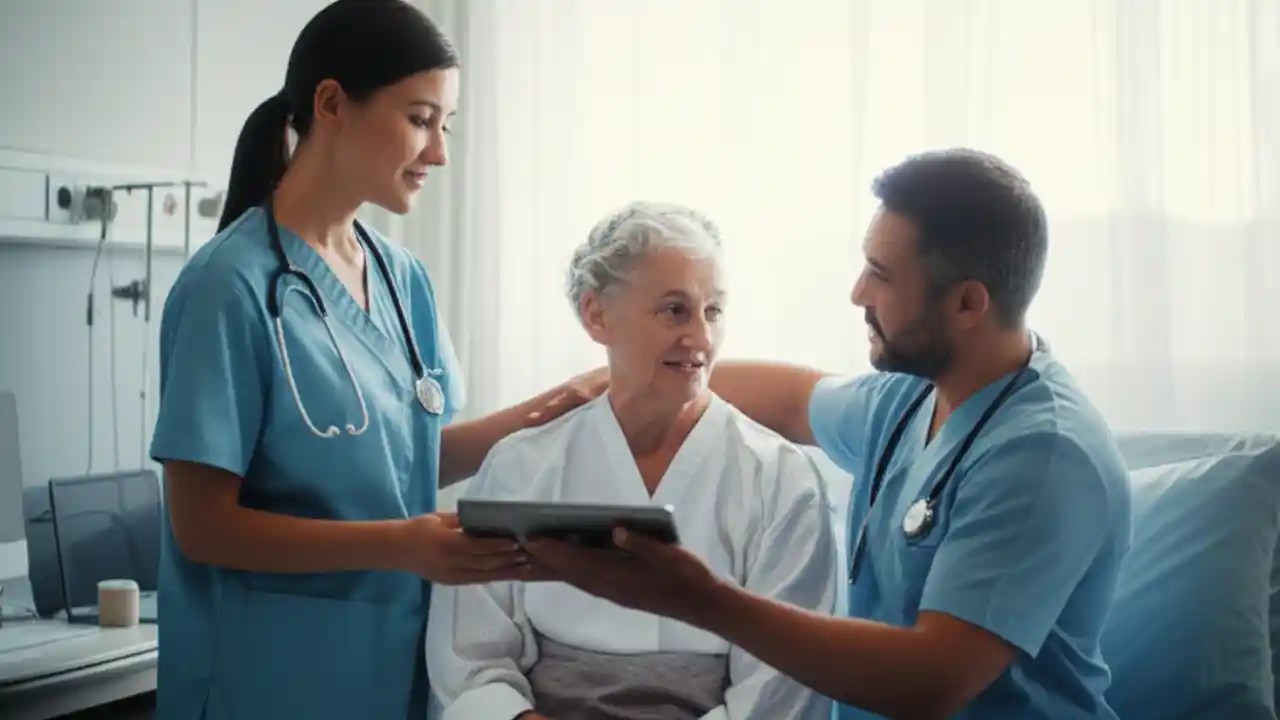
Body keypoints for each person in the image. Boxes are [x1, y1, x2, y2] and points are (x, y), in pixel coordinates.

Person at [526, 149, 1134, 719]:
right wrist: (625, 379)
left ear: (969, 304)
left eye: (881, 275)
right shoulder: (913, 395)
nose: (857, 293)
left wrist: (700, 598)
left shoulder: (1044, 455)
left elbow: (933, 681)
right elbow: (788, 396)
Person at [148, 2, 594, 718]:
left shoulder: (401, 278)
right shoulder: (227, 288)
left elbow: (404, 462)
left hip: (386, 673)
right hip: (261, 681)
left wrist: (557, 405)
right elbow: (203, 527)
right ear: (331, 104)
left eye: (445, 126)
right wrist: (402, 546)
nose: (439, 152)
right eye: (421, 120)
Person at [426, 202, 838, 720]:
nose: (702, 338)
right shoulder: (520, 465)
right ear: (597, 315)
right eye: (674, 310)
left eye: (713, 310)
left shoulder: (779, 476)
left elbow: (785, 684)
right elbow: (468, 657)